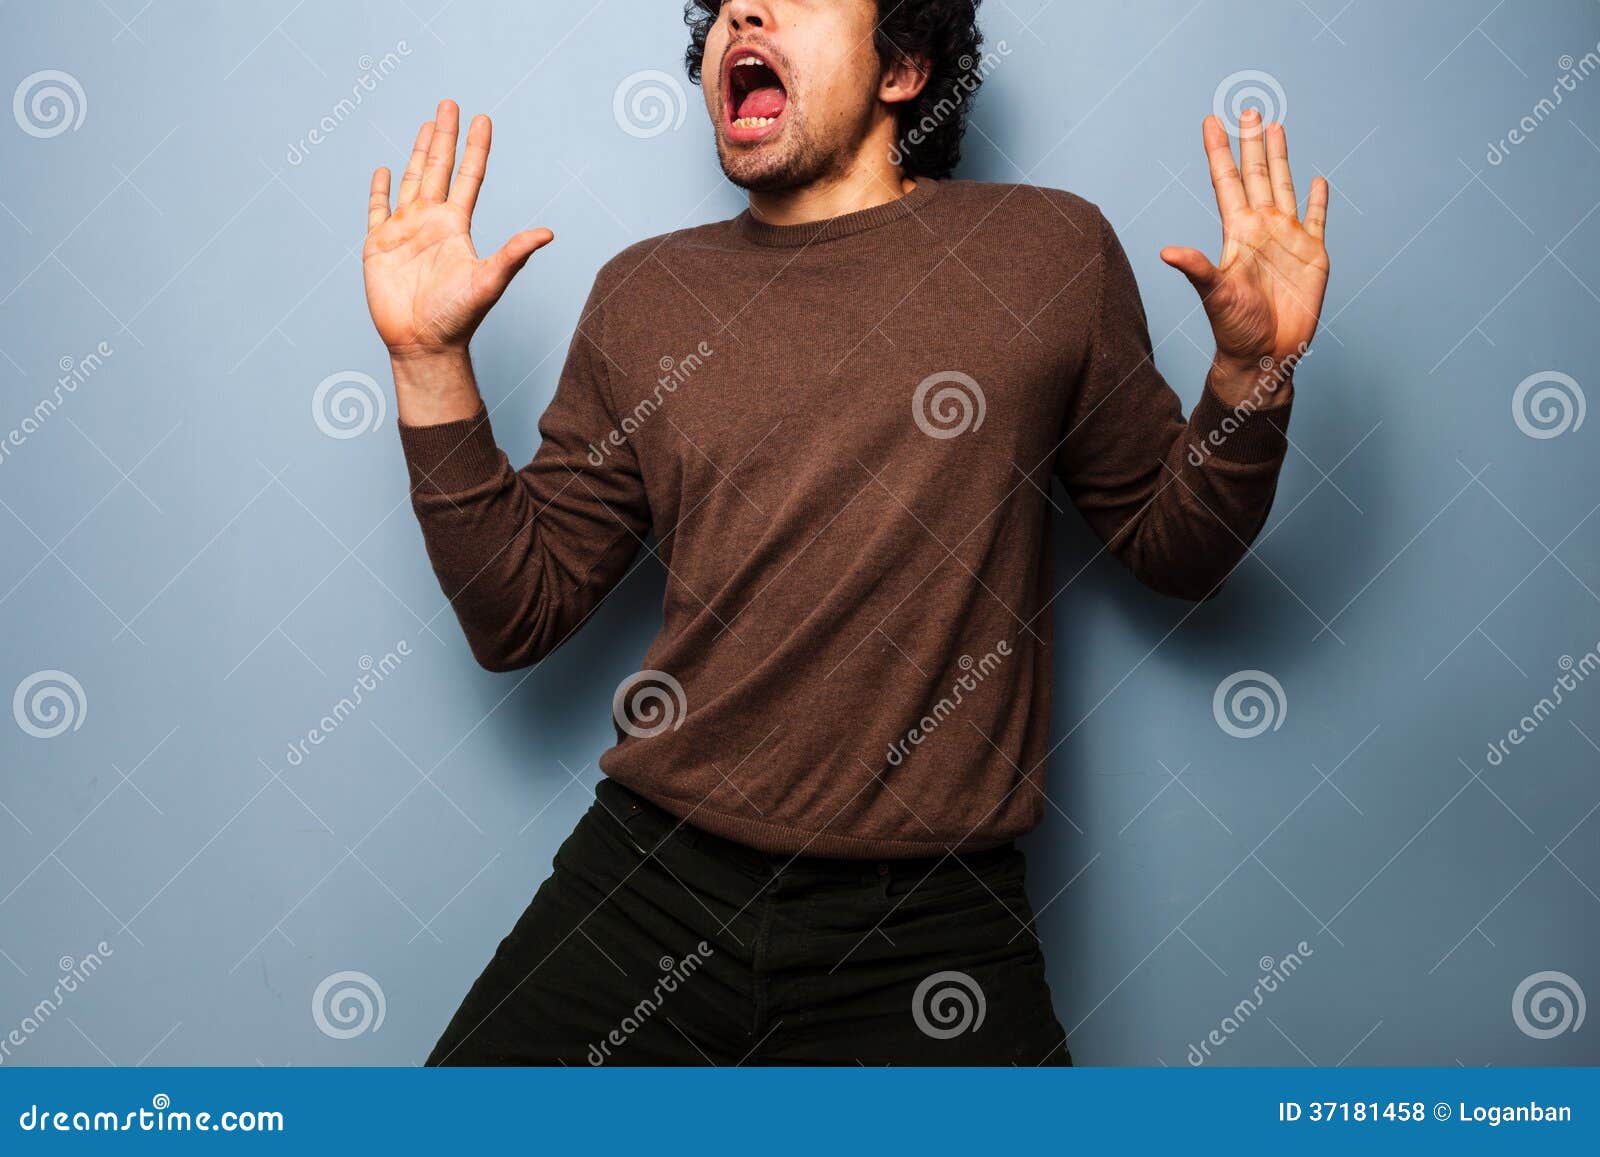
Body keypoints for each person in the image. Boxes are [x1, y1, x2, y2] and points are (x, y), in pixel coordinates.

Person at [360, 0, 1330, 1065]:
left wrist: (1250, 374)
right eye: (726, 1)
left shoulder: (1044, 252)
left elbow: (1174, 548)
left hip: (928, 927)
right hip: (651, 885)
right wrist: (426, 363)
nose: (743, 9)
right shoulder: (644, 291)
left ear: (902, 67)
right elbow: (518, 613)